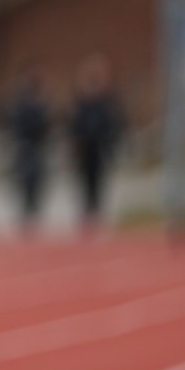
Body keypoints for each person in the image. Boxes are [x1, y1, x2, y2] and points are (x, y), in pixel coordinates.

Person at [69, 54, 124, 236]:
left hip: (100, 148)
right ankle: (86, 214)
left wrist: (112, 146)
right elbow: (73, 125)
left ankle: (97, 214)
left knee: (99, 182)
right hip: (85, 149)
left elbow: (114, 124)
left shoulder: (107, 100)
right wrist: (74, 145)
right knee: (84, 182)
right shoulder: (81, 100)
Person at [4, 67, 52, 237]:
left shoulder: (38, 105)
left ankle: (32, 212)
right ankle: (26, 212)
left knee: (35, 180)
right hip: (24, 146)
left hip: (35, 146)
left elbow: (45, 126)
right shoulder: (22, 105)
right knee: (24, 179)